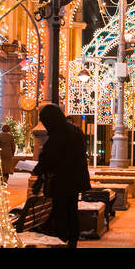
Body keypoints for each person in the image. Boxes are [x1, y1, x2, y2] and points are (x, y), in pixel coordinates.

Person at [31, 104, 90, 247]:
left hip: (63, 181)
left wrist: (37, 171)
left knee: (62, 212)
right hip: (75, 180)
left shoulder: (59, 133)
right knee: (72, 210)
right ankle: (73, 240)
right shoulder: (74, 129)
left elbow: (49, 157)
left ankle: (62, 239)